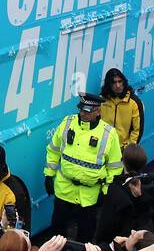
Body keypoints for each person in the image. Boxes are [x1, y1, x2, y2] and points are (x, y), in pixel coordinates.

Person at [43, 92, 123, 242]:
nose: (82, 114)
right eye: (81, 110)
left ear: (98, 111)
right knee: (57, 231)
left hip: (89, 195)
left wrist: (106, 191)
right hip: (64, 188)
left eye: (87, 111)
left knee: (85, 235)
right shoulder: (67, 123)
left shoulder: (109, 134)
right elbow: (53, 150)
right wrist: (49, 175)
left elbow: (114, 167)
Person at [99, 68, 141, 146]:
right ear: (108, 84)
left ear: (124, 82)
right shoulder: (102, 100)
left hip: (123, 149)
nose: (117, 85)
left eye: (120, 81)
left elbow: (137, 130)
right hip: (104, 146)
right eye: (114, 82)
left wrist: (128, 148)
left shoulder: (134, 102)